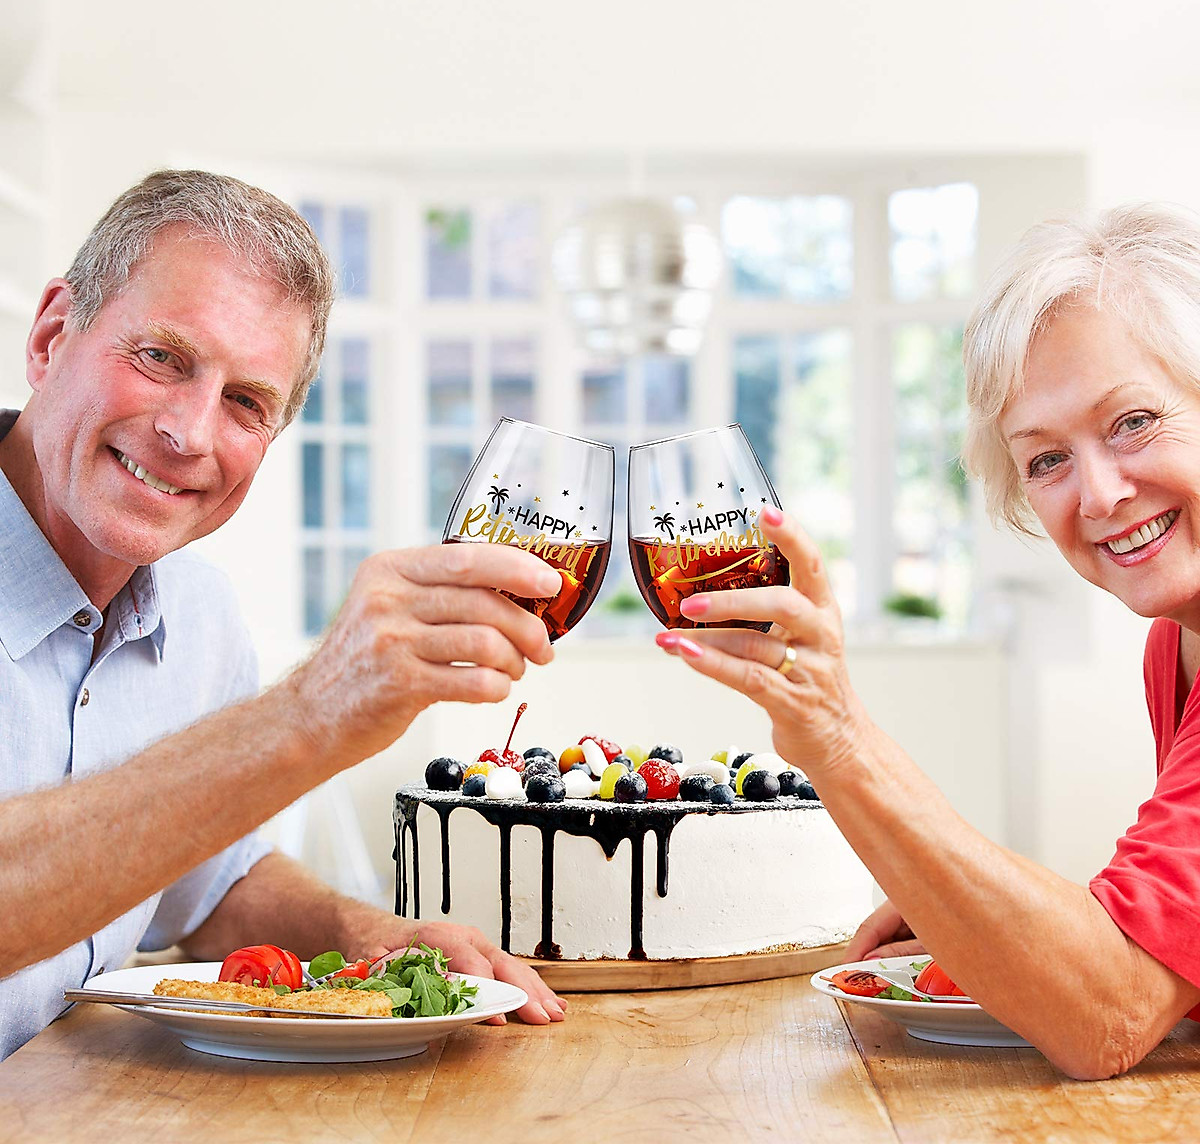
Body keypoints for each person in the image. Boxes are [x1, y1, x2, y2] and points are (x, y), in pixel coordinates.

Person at [0, 170, 566, 1060]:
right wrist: (308, 717)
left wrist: (364, 933)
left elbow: (210, 884)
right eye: (161, 358)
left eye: (245, 403)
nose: (188, 432)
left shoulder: (201, 615)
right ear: (49, 338)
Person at [654, 202, 1200, 1081]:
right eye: (1045, 459)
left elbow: (1113, 1011)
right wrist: (973, 921)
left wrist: (834, 734)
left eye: (1133, 421)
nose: (1096, 494)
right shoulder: (1175, 643)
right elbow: (1169, 944)